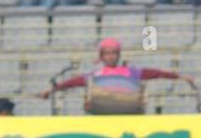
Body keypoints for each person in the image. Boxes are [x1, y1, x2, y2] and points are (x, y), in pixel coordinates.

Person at [40, 38, 194, 107]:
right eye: (106, 53)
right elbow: (72, 83)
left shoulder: (131, 72)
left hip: (128, 110)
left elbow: (156, 73)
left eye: (114, 53)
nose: (110, 56)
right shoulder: (96, 75)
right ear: (101, 56)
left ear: (119, 55)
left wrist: (180, 77)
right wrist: (52, 89)